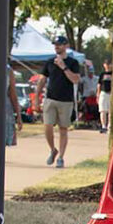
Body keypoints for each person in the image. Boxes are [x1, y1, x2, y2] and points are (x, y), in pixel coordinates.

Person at [40, 35, 80, 167]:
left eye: (59, 44)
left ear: (66, 46)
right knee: (47, 126)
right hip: (50, 98)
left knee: (63, 129)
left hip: (66, 101)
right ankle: (53, 149)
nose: (57, 46)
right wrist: (36, 96)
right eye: (55, 44)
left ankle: (61, 157)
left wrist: (64, 67)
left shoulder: (73, 63)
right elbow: (42, 79)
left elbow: (75, 80)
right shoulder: (49, 62)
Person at [98, 65, 112, 134]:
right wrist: (98, 94)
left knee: (110, 111)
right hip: (103, 93)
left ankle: (109, 126)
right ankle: (103, 126)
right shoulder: (102, 74)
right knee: (103, 110)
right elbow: (99, 85)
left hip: (111, 93)